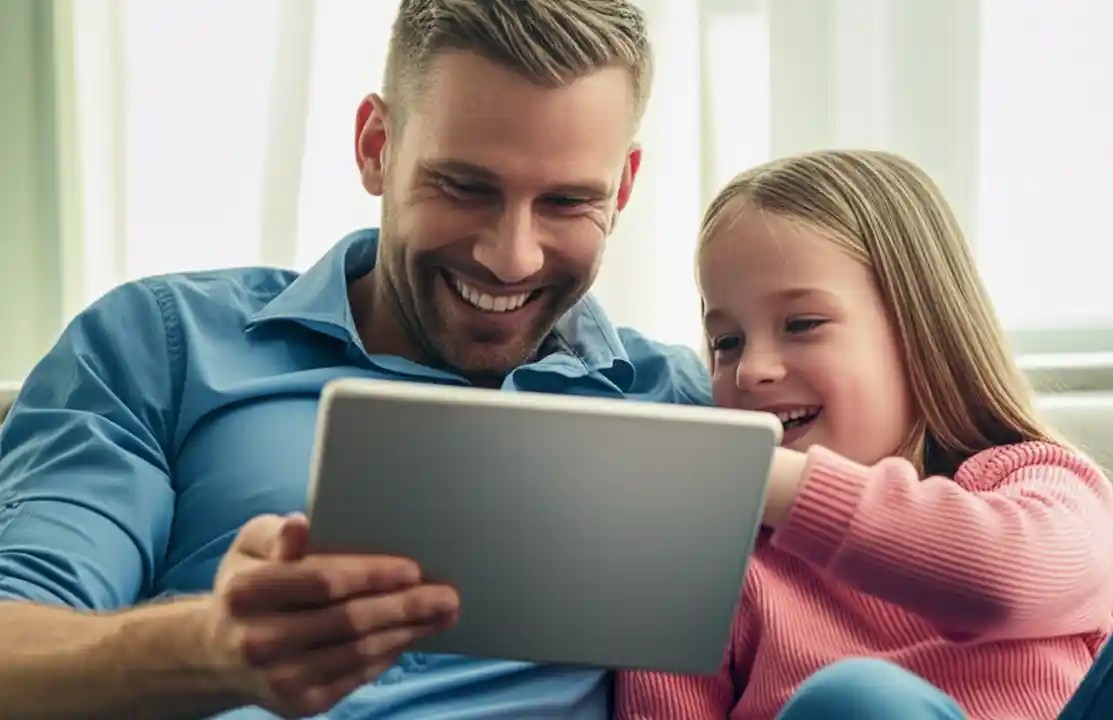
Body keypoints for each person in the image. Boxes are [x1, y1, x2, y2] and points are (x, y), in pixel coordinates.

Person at [0, 1, 711, 718]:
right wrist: (208, 648)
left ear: (621, 190)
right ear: (376, 146)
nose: (511, 256)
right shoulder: (162, 345)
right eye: (464, 187)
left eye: (566, 202)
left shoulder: (685, 405)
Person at [615, 149, 1113, 719]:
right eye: (725, 341)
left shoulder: (1036, 482)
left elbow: (1006, 580)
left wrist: (767, 479)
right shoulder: (711, 566)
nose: (751, 369)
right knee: (859, 702)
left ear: (919, 334)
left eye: (802, 324)